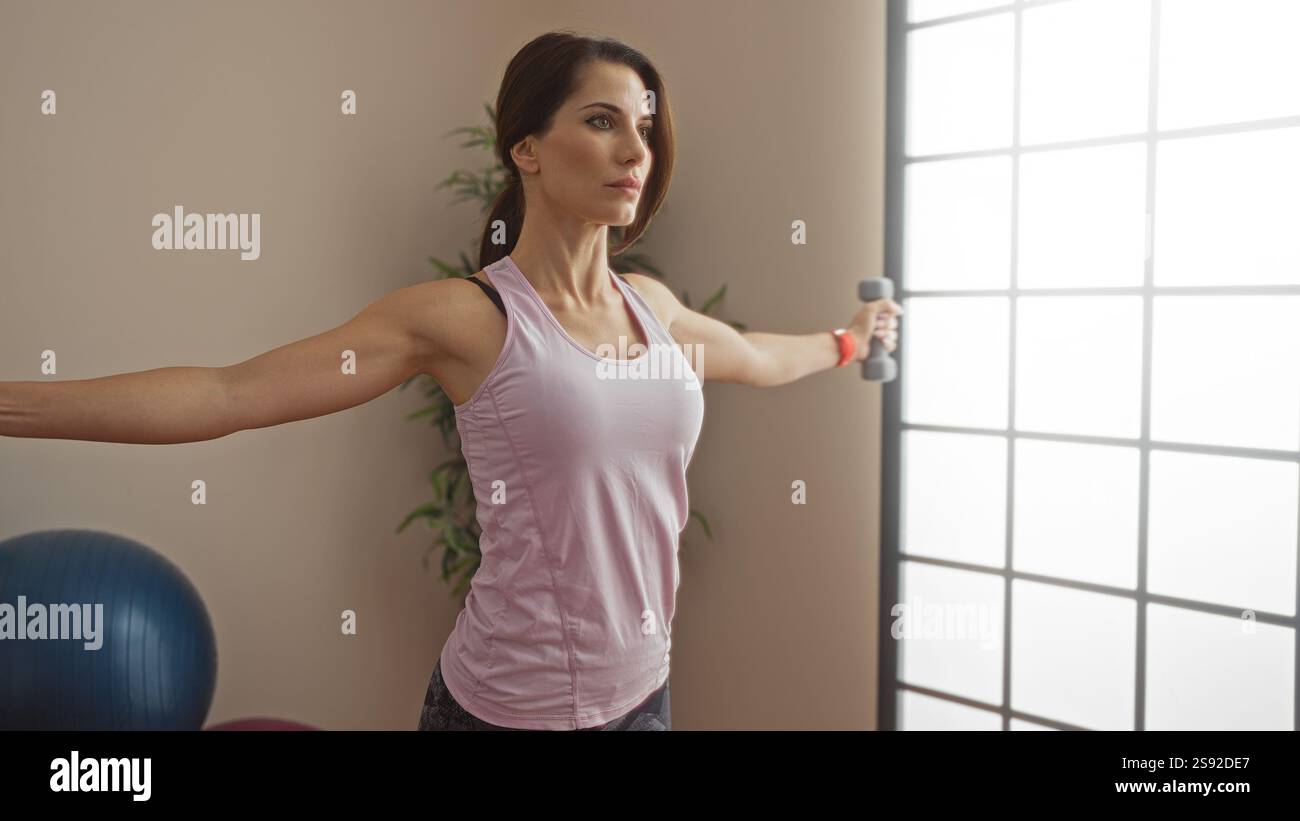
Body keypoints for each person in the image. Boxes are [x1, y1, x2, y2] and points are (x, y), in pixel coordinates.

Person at [0, 30, 900, 731]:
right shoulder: (470, 320)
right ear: (528, 149)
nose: (637, 147)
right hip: (506, 709)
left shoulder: (655, 308)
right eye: (601, 119)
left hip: (646, 694)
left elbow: (756, 355)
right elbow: (230, 393)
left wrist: (847, 341)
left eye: (644, 124)